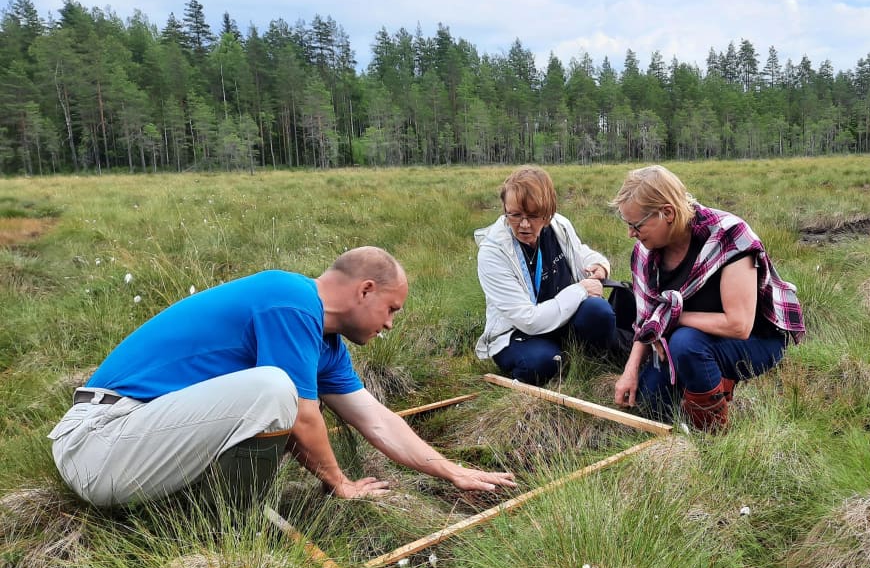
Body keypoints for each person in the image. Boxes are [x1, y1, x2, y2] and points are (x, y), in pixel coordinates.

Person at [49, 246, 516, 508]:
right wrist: (340, 483)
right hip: (99, 444)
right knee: (276, 390)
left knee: (277, 391)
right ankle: (223, 519)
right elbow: (302, 415)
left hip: (142, 444)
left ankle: (219, 520)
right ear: (365, 289)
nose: (391, 323)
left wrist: (454, 472)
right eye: (391, 308)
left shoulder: (324, 344)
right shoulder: (289, 299)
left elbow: (377, 420)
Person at [610, 165, 805, 431]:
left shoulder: (728, 236)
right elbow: (646, 322)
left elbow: (739, 325)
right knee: (651, 405)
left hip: (756, 339)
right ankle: (701, 380)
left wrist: (675, 320)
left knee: (685, 343)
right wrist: (630, 372)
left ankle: (712, 433)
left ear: (667, 213)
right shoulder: (645, 253)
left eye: (636, 225)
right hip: (692, 339)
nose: (631, 233)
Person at [475, 165, 625, 386]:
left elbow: (579, 252)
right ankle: (555, 359)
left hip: (561, 320)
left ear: (548, 214)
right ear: (505, 209)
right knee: (541, 362)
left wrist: (599, 265)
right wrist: (581, 289)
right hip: (519, 332)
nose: (524, 225)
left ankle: (592, 364)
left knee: (599, 312)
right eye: (515, 215)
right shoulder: (493, 253)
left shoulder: (559, 226)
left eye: (533, 216)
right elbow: (528, 320)